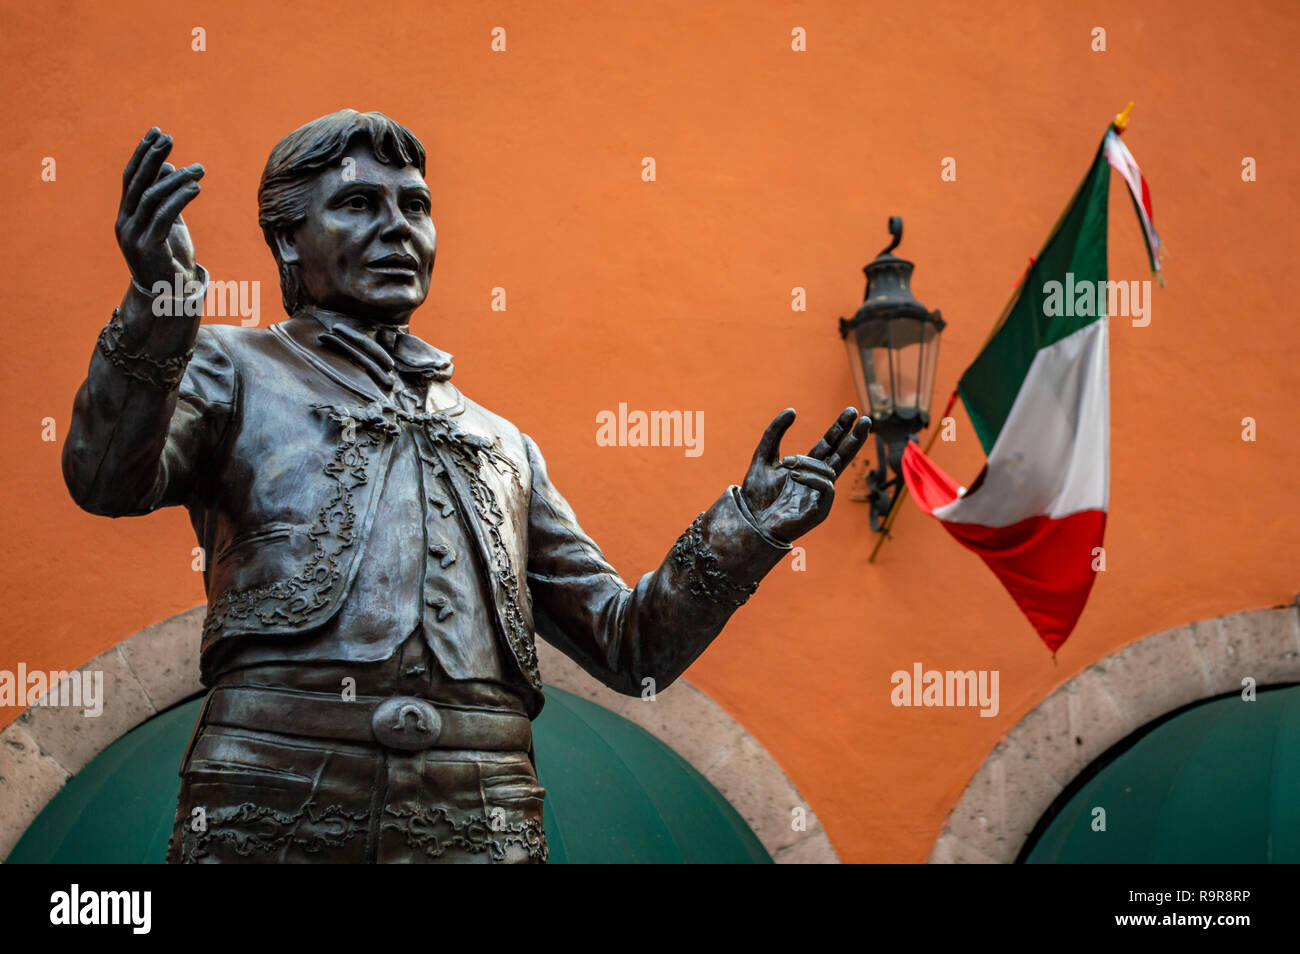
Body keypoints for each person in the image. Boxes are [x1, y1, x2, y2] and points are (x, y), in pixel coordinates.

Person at [62, 110, 870, 863]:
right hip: (272, 783)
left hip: (481, 806)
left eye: (414, 205)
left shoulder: (502, 443)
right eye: (357, 204)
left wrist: (746, 531)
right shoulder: (227, 365)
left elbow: (632, 651)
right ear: (286, 240)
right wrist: (156, 306)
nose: (395, 228)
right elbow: (104, 480)